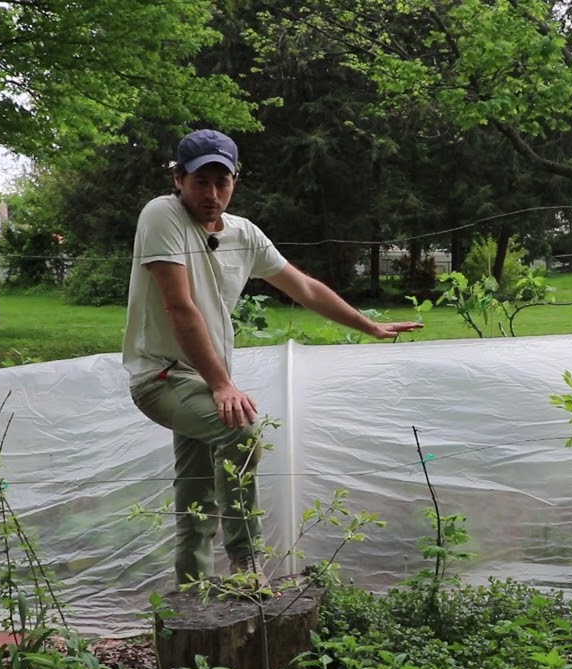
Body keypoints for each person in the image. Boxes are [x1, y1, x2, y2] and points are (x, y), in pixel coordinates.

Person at [123, 129, 422, 586]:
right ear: (179, 179)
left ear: (235, 181)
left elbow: (303, 288)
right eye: (201, 181)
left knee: (197, 501)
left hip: (202, 379)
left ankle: (192, 600)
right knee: (240, 431)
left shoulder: (244, 234)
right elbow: (178, 307)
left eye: (222, 181)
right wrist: (223, 385)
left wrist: (370, 325)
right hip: (162, 376)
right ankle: (247, 567)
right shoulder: (161, 215)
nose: (212, 193)